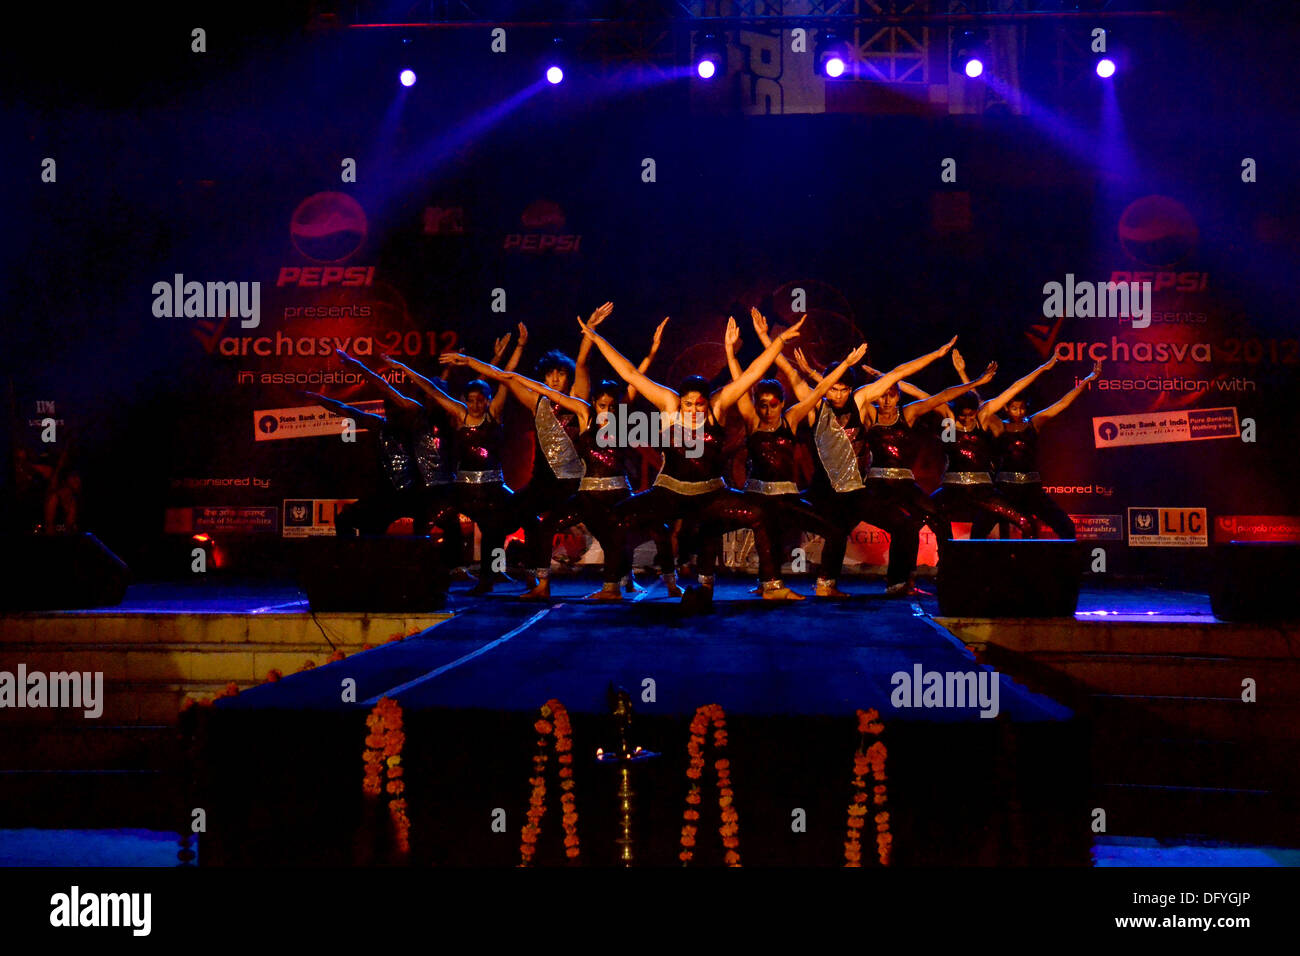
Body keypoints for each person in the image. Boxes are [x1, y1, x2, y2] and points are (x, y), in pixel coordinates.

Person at [579, 309, 809, 606]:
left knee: (759, 514)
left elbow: (752, 373)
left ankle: (771, 585)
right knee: (618, 517)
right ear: (681, 401)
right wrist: (596, 338)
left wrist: (778, 342)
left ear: (706, 402)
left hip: (711, 493)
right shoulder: (669, 404)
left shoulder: (717, 405)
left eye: (699, 405)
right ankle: (612, 586)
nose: (693, 410)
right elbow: (630, 374)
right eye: (688, 404)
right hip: (670, 493)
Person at [724, 320, 868, 598]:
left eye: (772, 404)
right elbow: (742, 383)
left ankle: (825, 585)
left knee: (834, 530)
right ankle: (767, 585)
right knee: (757, 526)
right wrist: (730, 353)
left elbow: (821, 390)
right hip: (756, 496)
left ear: (781, 403)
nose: (767, 410)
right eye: (762, 404)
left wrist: (846, 364)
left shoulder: (791, 418)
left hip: (786, 496)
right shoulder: (752, 421)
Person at [972, 359, 1105, 540]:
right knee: (978, 529)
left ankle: (1065, 558)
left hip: (1031, 490)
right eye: (1014, 408)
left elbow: (1062, 403)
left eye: (1022, 408)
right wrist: (965, 375)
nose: (1019, 412)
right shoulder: (998, 426)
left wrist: (1087, 380)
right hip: (1005, 490)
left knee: (1066, 526)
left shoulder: (1034, 423)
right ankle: (969, 558)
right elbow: (981, 406)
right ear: (1006, 408)